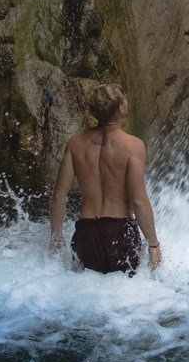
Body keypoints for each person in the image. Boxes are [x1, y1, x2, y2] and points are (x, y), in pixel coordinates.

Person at [48, 82, 162, 273]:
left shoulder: (75, 144)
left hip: (86, 234)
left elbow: (59, 195)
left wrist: (56, 237)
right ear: (120, 109)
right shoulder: (133, 146)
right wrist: (153, 245)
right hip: (119, 233)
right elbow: (138, 201)